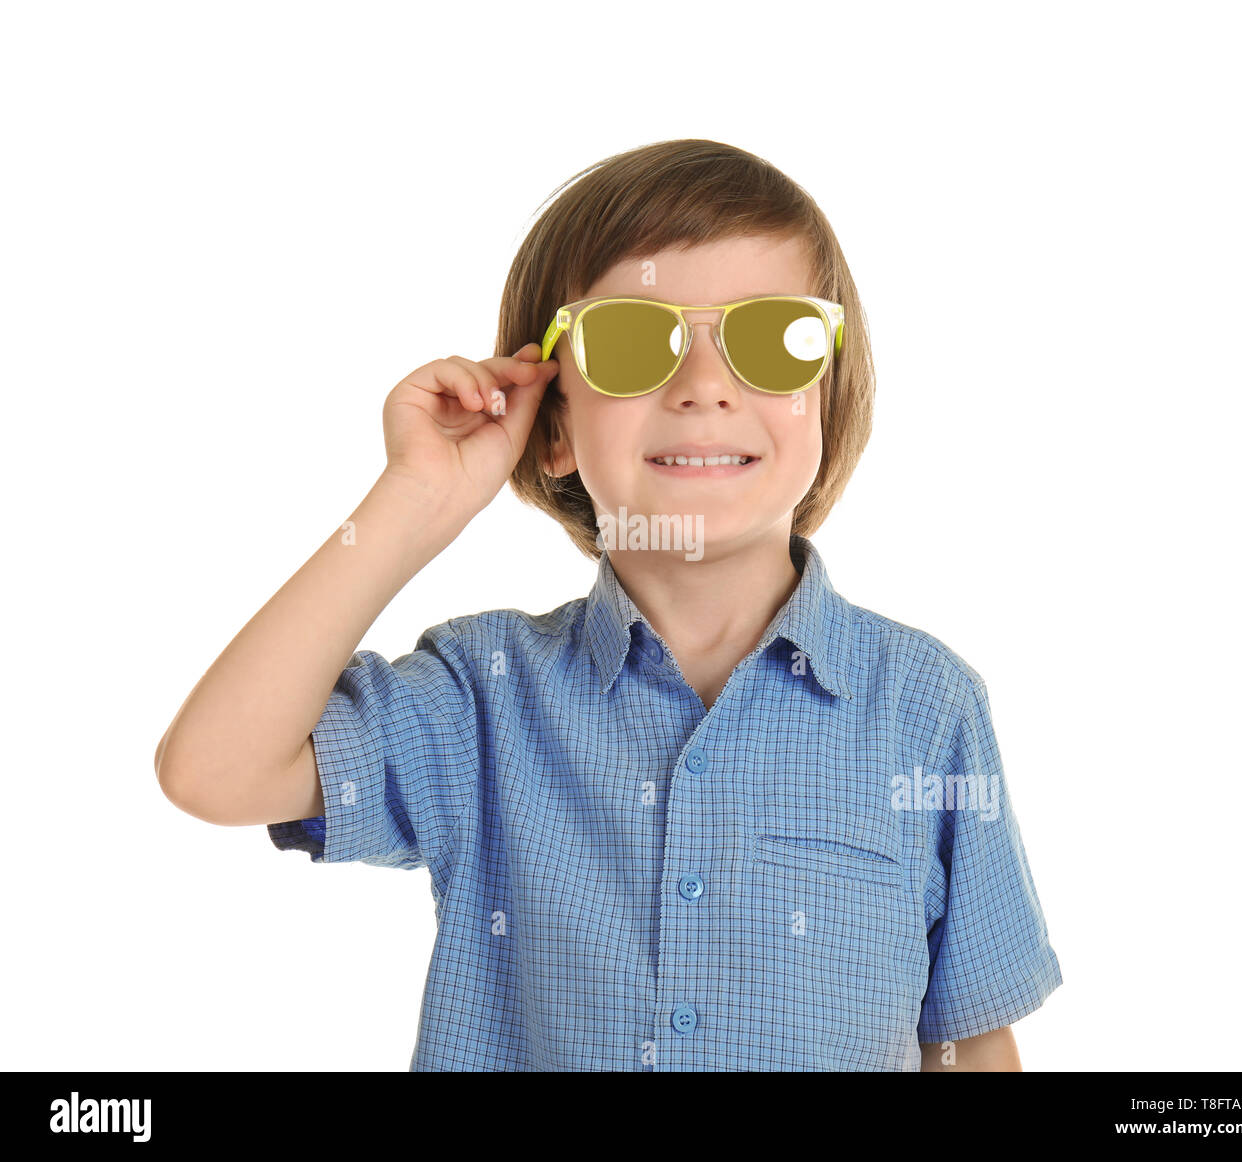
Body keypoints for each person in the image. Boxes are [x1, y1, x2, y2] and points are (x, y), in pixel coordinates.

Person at [154, 138, 1063, 1072]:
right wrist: (414, 502)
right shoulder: (483, 701)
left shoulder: (926, 707)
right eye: (632, 343)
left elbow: (968, 1039)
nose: (705, 387)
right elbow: (213, 769)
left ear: (827, 397)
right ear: (551, 427)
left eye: (771, 338)